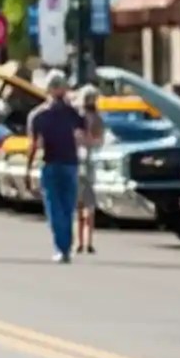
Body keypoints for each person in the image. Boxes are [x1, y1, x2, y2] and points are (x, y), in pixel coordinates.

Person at [26, 70, 85, 263]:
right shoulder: (72, 112)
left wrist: (28, 169)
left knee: (55, 208)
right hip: (70, 163)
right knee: (67, 208)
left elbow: (34, 145)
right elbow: (85, 134)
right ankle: (65, 247)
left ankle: (62, 248)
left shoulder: (38, 115)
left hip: (51, 163)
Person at [75, 86, 106, 255]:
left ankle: (82, 242)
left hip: (83, 162)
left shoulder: (79, 117)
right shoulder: (97, 119)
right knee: (87, 205)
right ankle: (86, 242)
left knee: (82, 205)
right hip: (88, 163)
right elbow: (99, 140)